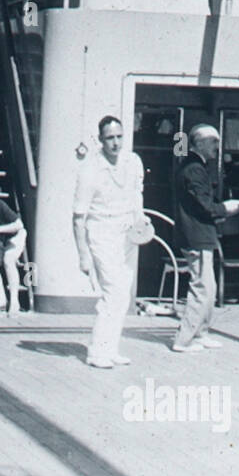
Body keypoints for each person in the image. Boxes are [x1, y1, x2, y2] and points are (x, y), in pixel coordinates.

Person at [72, 115, 144, 368]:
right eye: (110, 138)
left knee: (123, 294)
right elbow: (78, 217)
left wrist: (141, 222)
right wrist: (83, 254)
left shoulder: (133, 161)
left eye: (119, 136)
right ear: (100, 140)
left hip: (127, 234)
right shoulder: (90, 169)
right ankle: (97, 353)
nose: (115, 142)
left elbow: (137, 196)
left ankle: (111, 349)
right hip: (102, 233)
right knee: (112, 292)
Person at [171, 124, 239, 353]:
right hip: (197, 236)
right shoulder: (194, 168)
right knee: (201, 288)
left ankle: (200, 333)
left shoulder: (194, 166)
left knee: (208, 288)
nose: (217, 146)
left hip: (198, 234)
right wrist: (226, 208)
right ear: (199, 143)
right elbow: (204, 205)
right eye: (213, 141)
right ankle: (183, 339)